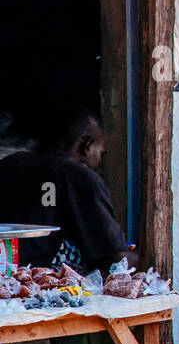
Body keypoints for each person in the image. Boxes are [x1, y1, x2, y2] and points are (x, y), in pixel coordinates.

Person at [0, 110, 135, 274]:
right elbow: (114, 262)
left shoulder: (9, 164)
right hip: (31, 284)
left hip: (6, 279)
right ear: (88, 145)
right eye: (101, 153)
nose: (101, 161)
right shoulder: (80, 177)